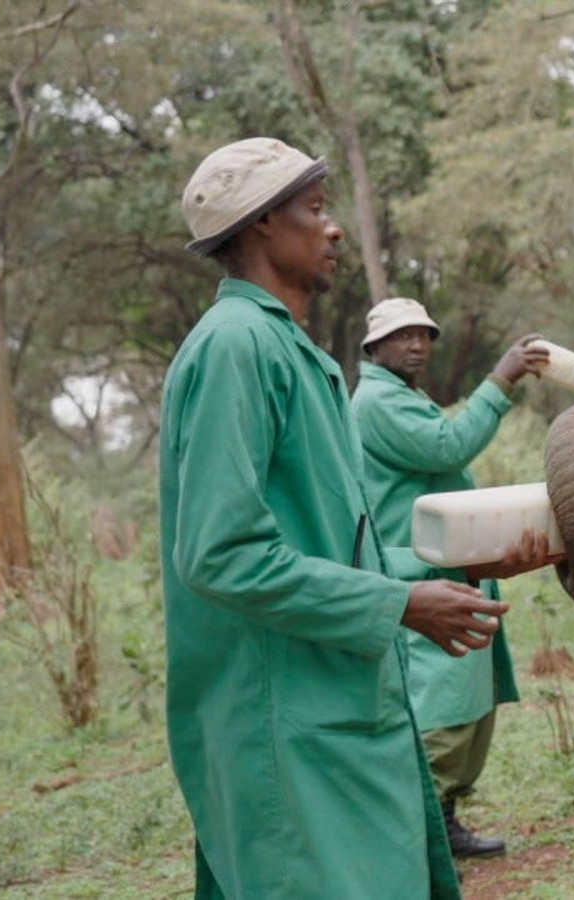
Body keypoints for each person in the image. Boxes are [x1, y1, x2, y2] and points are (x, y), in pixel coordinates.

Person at [161, 137, 549, 899]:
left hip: (331, 705)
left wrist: (461, 564)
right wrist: (400, 602)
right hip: (281, 718)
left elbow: (335, 537)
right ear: (261, 226)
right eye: (313, 209)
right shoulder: (238, 348)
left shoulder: (288, 349)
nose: (331, 228)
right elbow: (220, 554)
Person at [351, 297, 549, 859]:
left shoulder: (401, 395)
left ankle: (443, 825)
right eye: (402, 336)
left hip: (448, 560)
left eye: (424, 335)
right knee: (443, 709)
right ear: (374, 348)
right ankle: (417, 846)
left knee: (471, 704)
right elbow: (450, 445)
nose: (417, 345)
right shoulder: (377, 402)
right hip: (421, 570)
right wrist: (501, 379)